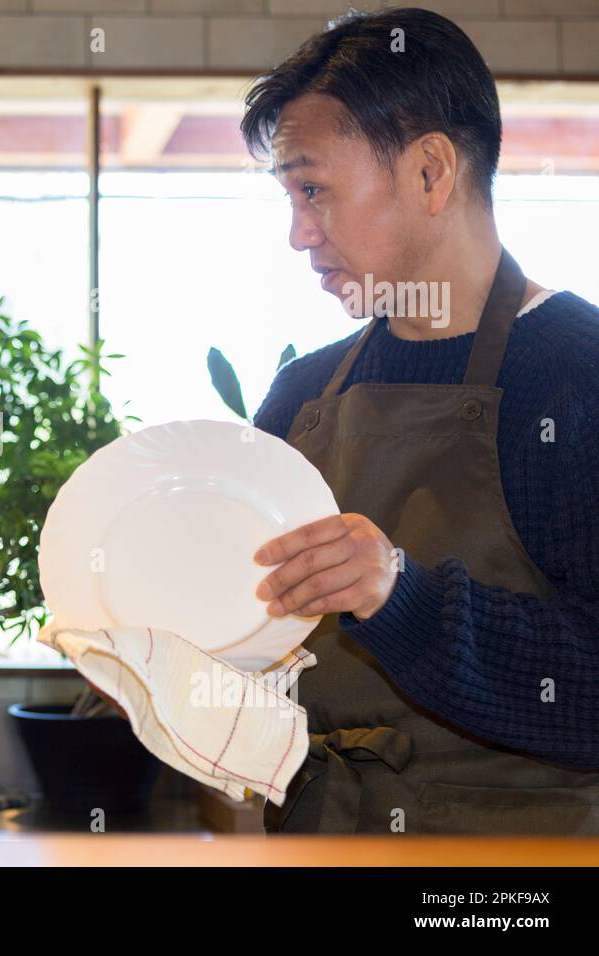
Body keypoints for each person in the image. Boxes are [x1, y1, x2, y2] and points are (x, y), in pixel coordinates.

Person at [240, 8, 599, 833]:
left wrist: (399, 595)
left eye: (313, 188)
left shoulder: (575, 376)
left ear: (432, 172)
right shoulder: (300, 397)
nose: (298, 234)